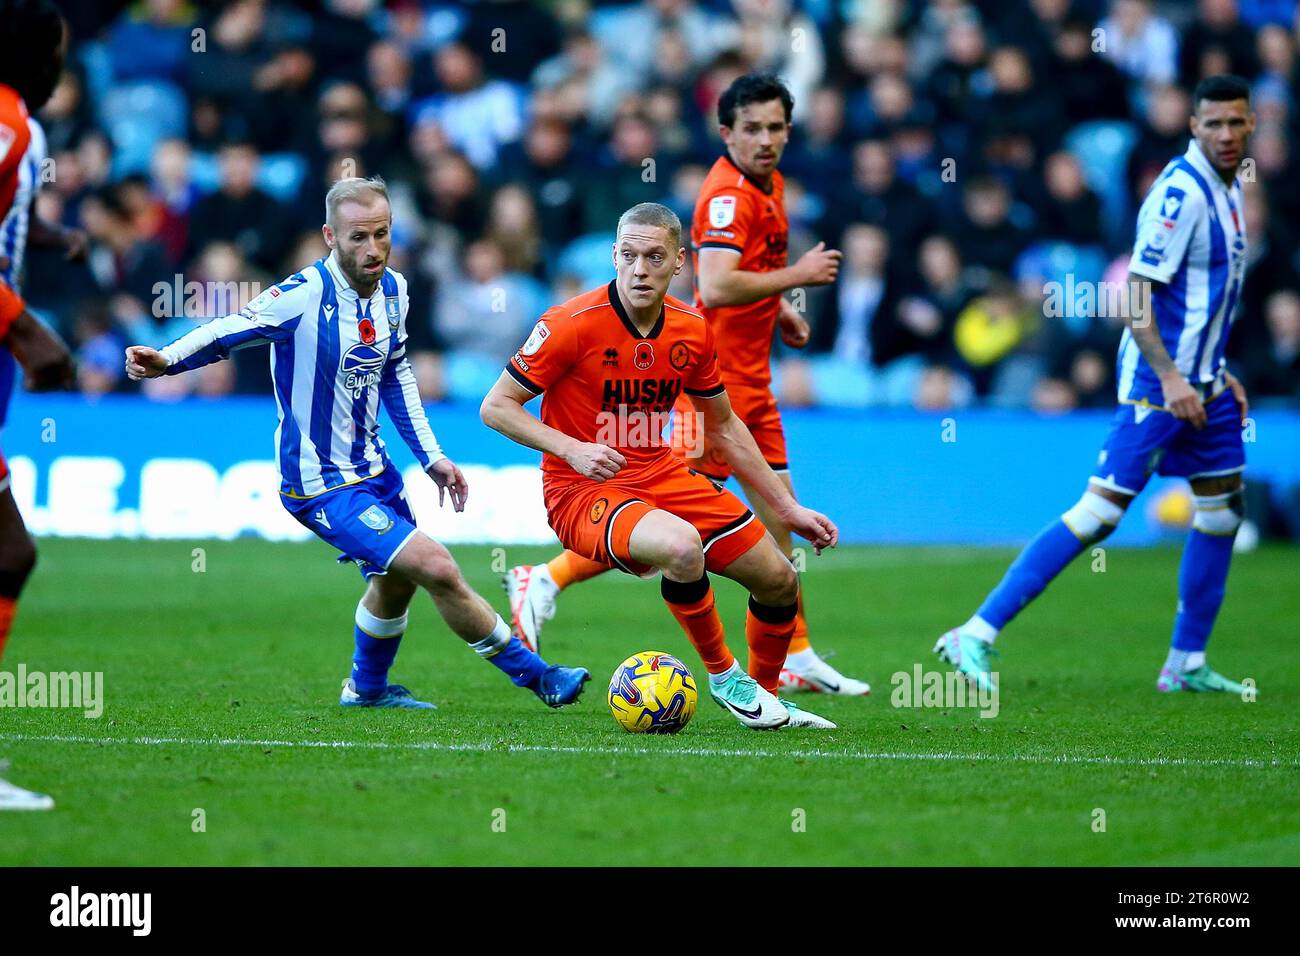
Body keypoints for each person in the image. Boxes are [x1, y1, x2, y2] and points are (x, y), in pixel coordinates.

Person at [125, 176, 590, 712]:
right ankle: (539, 677)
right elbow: (229, 329)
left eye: (382, 234)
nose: (373, 249)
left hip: (375, 471)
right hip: (319, 484)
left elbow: (395, 375)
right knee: (436, 567)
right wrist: (168, 359)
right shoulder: (301, 296)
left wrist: (431, 457)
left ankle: (365, 690)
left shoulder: (396, 290)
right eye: (358, 238)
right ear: (330, 236)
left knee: (396, 583)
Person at [504, 73, 871, 697]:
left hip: (749, 377)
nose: (765, 140)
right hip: (711, 379)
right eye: (751, 128)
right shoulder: (726, 197)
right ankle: (548, 578)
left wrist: (776, 308)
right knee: (690, 527)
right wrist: (797, 276)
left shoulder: (770, 185)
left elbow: (731, 282)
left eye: (775, 127)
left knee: (764, 519)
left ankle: (793, 654)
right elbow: (721, 284)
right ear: (725, 132)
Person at [935, 76, 1256, 696]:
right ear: (1192, 126)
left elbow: (1204, 300)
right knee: (1100, 512)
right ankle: (974, 632)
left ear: (1250, 127)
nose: (1224, 134)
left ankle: (1185, 662)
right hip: (1160, 384)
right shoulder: (1181, 194)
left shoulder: (1229, 191)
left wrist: (1218, 371)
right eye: (1212, 123)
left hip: (1205, 383)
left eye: (1235, 123)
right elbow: (1135, 294)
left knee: (1221, 514)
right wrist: (1170, 377)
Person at [481, 202, 839, 730]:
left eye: (653, 257)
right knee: (679, 546)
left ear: (679, 262)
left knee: (781, 580)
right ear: (614, 257)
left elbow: (723, 425)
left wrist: (787, 508)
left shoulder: (692, 330)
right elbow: (496, 407)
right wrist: (571, 448)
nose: (639, 269)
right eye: (628, 255)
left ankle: (765, 701)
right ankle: (725, 677)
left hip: (661, 474)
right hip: (581, 488)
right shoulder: (569, 325)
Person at [0, 0, 80, 812]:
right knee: (9, 555)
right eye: (56, 49)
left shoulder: (17, 125)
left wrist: (43, 236)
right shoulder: (6, 120)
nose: (64, 65)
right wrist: (25, 327)